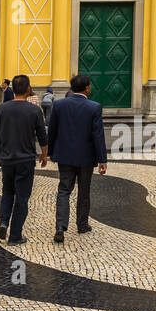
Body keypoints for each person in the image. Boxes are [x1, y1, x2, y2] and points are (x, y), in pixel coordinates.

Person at [0, 74, 48, 246]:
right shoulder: (35, 110)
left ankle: (4, 222)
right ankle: (15, 235)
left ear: (12, 89)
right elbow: (42, 136)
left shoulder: (1, 109)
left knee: (7, 192)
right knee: (22, 197)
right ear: (28, 89)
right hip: (26, 159)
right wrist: (44, 155)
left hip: (7, 158)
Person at [47, 74, 107, 241]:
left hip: (65, 155)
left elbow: (52, 130)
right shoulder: (94, 107)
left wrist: (50, 151)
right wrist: (102, 159)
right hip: (86, 157)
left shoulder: (59, 104)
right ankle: (82, 225)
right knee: (84, 191)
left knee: (64, 190)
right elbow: (98, 135)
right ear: (87, 88)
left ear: (72, 88)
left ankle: (60, 226)